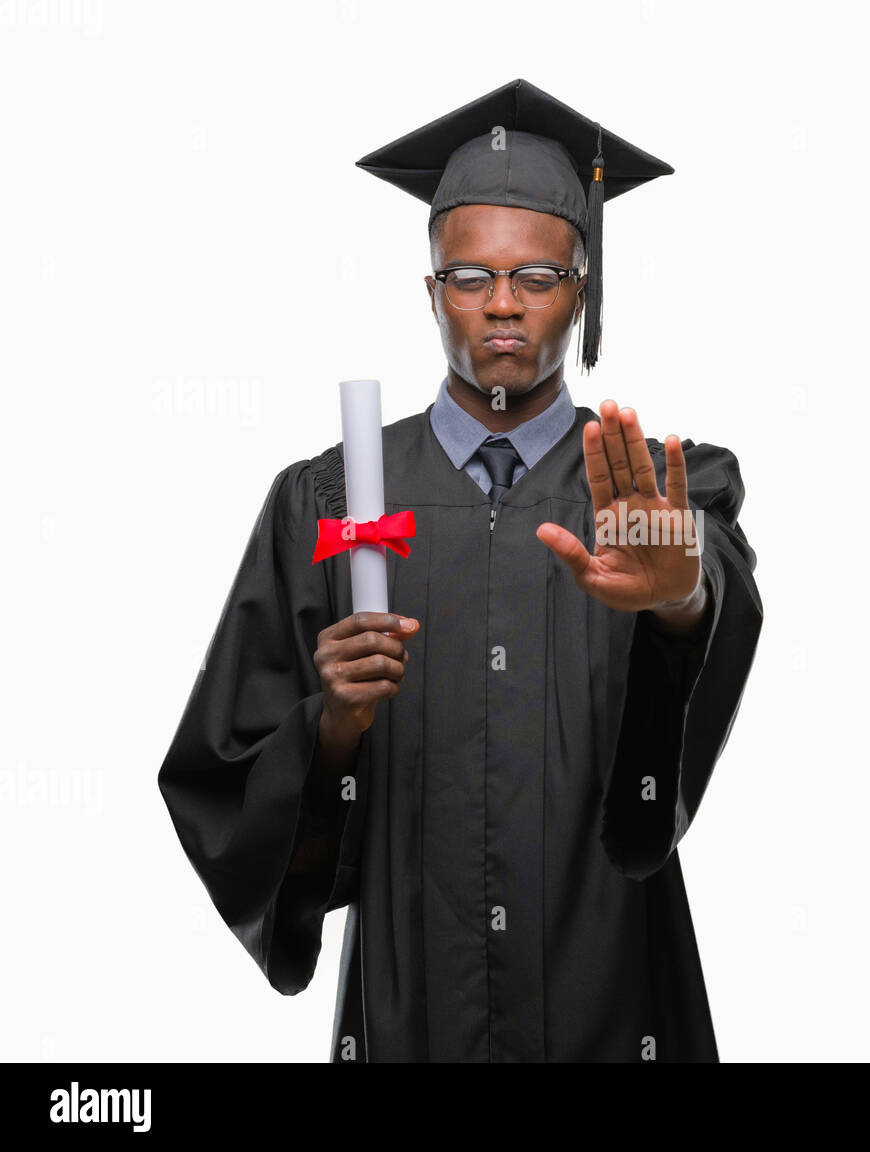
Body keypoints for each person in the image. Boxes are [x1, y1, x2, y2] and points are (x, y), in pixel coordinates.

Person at [157, 78, 763, 1062]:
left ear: (583, 288)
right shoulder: (327, 501)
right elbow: (218, 777)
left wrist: (683, 600)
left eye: (538, 277)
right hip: (413, 1005)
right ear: (431, 291)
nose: (503, 308)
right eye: (470, 278)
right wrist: (329, 729)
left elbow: (713, 599)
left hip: (608, 994)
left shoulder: (654, 490)